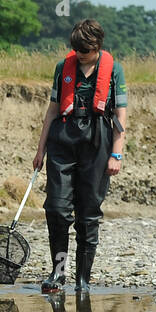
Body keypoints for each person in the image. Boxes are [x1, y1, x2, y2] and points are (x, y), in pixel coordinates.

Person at [32, 20, 128, 294]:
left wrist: (116, 153)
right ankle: (58, 273)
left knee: (88, 214)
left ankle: (83, 280)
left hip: (97, 140)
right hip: (63, 138)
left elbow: (120, 117)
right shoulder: (63, 68)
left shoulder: (114, 71)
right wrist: (40, 150)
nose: (80, 55)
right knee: (56, 210)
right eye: (76, 50)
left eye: (85, 51)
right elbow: (51, 111)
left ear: (98, 46)